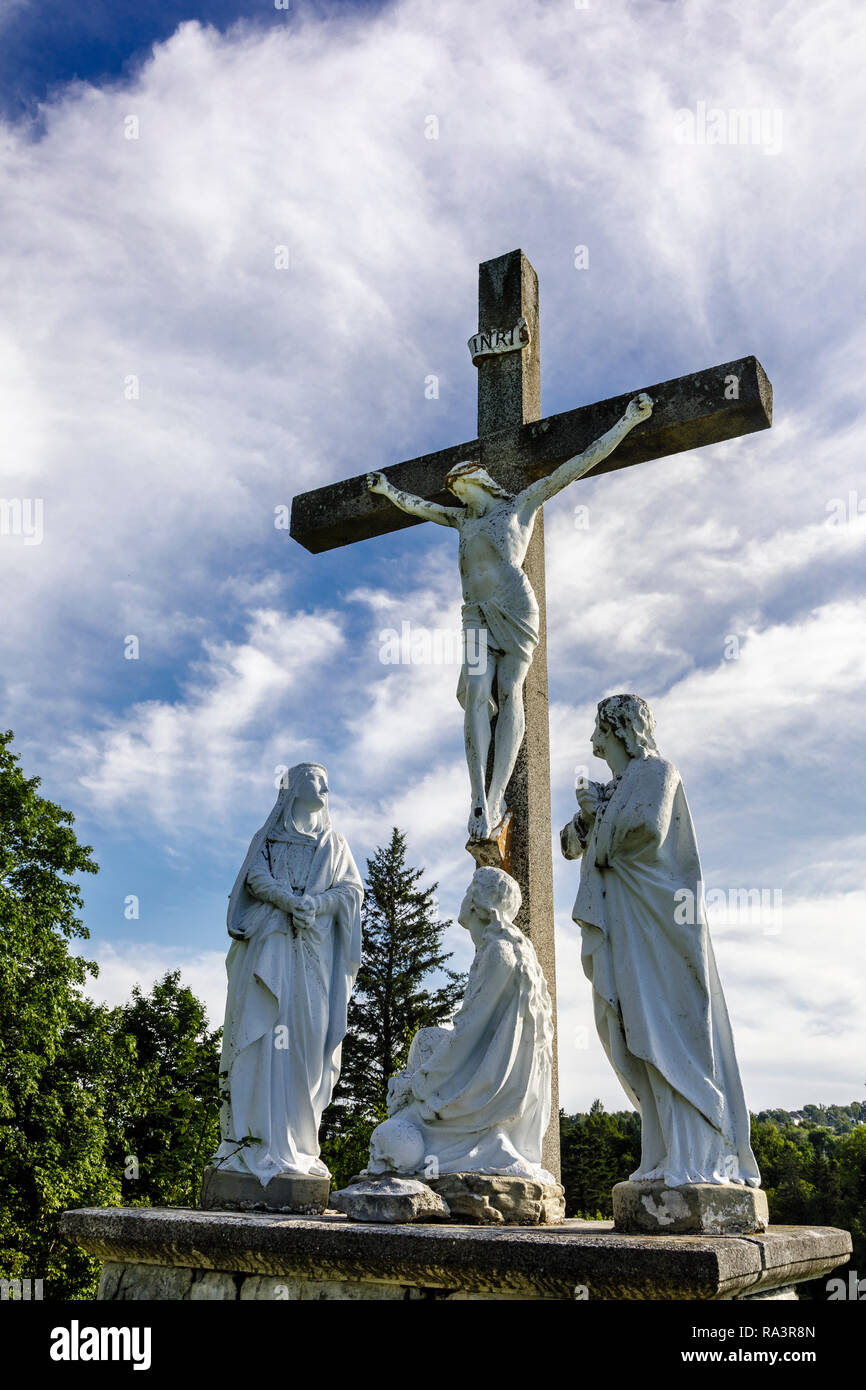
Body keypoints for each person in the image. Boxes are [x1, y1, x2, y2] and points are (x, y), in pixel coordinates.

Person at [367, 393, 653, 842]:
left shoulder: (518, 505)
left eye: (460, 488)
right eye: (455, 493)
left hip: (515, 610)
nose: (456, 496)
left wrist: (626, 423)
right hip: (475, 615)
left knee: (509, 688)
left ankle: (497, 793)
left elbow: (576, 464)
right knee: (478, 692)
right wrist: (388, 492)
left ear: (476, 482)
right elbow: (418, 507)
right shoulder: (460, 521)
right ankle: (479, 795)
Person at [561, 694, 760, 1188]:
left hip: (662, 926)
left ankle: (699, 1158)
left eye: (598, 732)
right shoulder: (612, 789)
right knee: (633, 1031)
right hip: (626, 924)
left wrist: (598, 819)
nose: (592, 742)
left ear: (621, 730)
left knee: (670, 1029)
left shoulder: (657, 772)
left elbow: (646, 831)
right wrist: (588, 817)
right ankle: (661, 1153)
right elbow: (568, 845)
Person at [212, 763, 363, 1184]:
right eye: (316, 779)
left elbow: (352, 891)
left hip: (313, 956)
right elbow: (254, 879)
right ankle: (254, 1140)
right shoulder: (267, 839)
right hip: (271, 948)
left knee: (307, 1044)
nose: (326, 787)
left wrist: (317, 904)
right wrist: (286, 901)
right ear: (295, 785)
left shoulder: (334, 843)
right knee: (261, 1041)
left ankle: (297, 1141)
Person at [366, 865, 555, 1181]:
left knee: (394, 1133)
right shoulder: (505, 948)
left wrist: (419, 1084)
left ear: (478, 903)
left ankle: (428, 1133)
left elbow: (467, 1036)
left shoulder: (499, 952)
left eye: (469, 890)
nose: (464, 896)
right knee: (426, 1039)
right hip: (488, 1071)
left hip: (487, 1087)